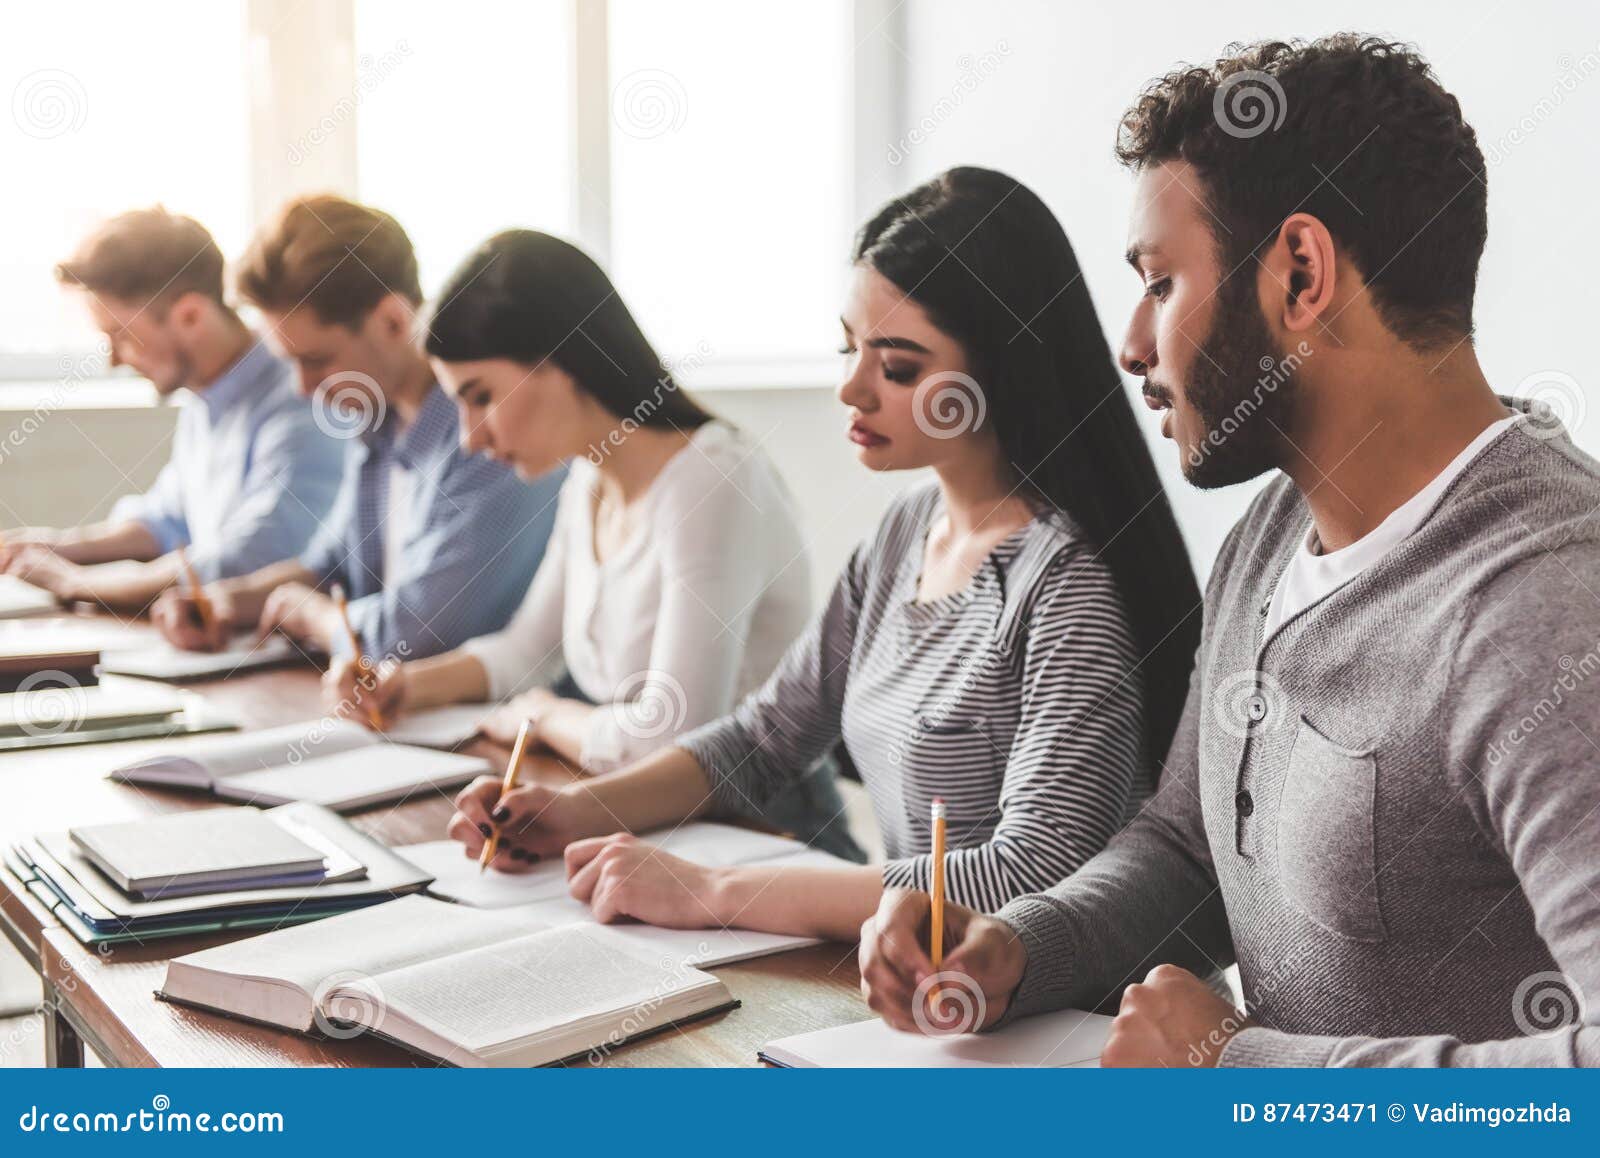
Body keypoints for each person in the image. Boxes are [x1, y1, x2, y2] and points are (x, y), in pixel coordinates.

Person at [859, 36, 1600, 1068]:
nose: (1128, 343)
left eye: (1159, 283)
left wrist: (1240, 1067)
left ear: (1300, 275)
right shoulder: (1266, 536)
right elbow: (1188, 850)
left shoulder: (1549, 607)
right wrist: (1017, 948)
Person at [446, 167, 1203, 941]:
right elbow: (764, 738)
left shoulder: (1067, 587)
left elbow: (1030, 873)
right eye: (848, 348)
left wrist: (716, 890)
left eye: (898, 367)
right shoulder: (905, 534)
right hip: (923, 989)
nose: (852, 389)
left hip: (1066, 1027)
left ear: (1002, 367)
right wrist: (576, 811)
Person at [320, 229, 853, 850]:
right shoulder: (589, 478)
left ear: (562, 362)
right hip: (636, 815)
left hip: (761, 829)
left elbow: (671, 735)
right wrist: (404, 683)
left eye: (482, 397)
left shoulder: (712, 479)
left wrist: (546, 715)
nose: (469, 438)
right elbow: (526, 650)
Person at [150, 196, 562, 660]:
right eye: (291, 365)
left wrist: (311, 616)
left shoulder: (491, 436)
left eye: (318, 361)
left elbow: (418, 632)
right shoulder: (378, 428)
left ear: (392, 321)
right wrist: (226, 600)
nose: (304, 389)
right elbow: (328, 570)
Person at [2, 208, 343, 608]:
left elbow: (254, 555)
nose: (113, 360)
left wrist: (80, 583)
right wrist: (59, 545)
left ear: (190, 315)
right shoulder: (206, 397)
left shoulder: (300, 397)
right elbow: (165, 520)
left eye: (120, 336)